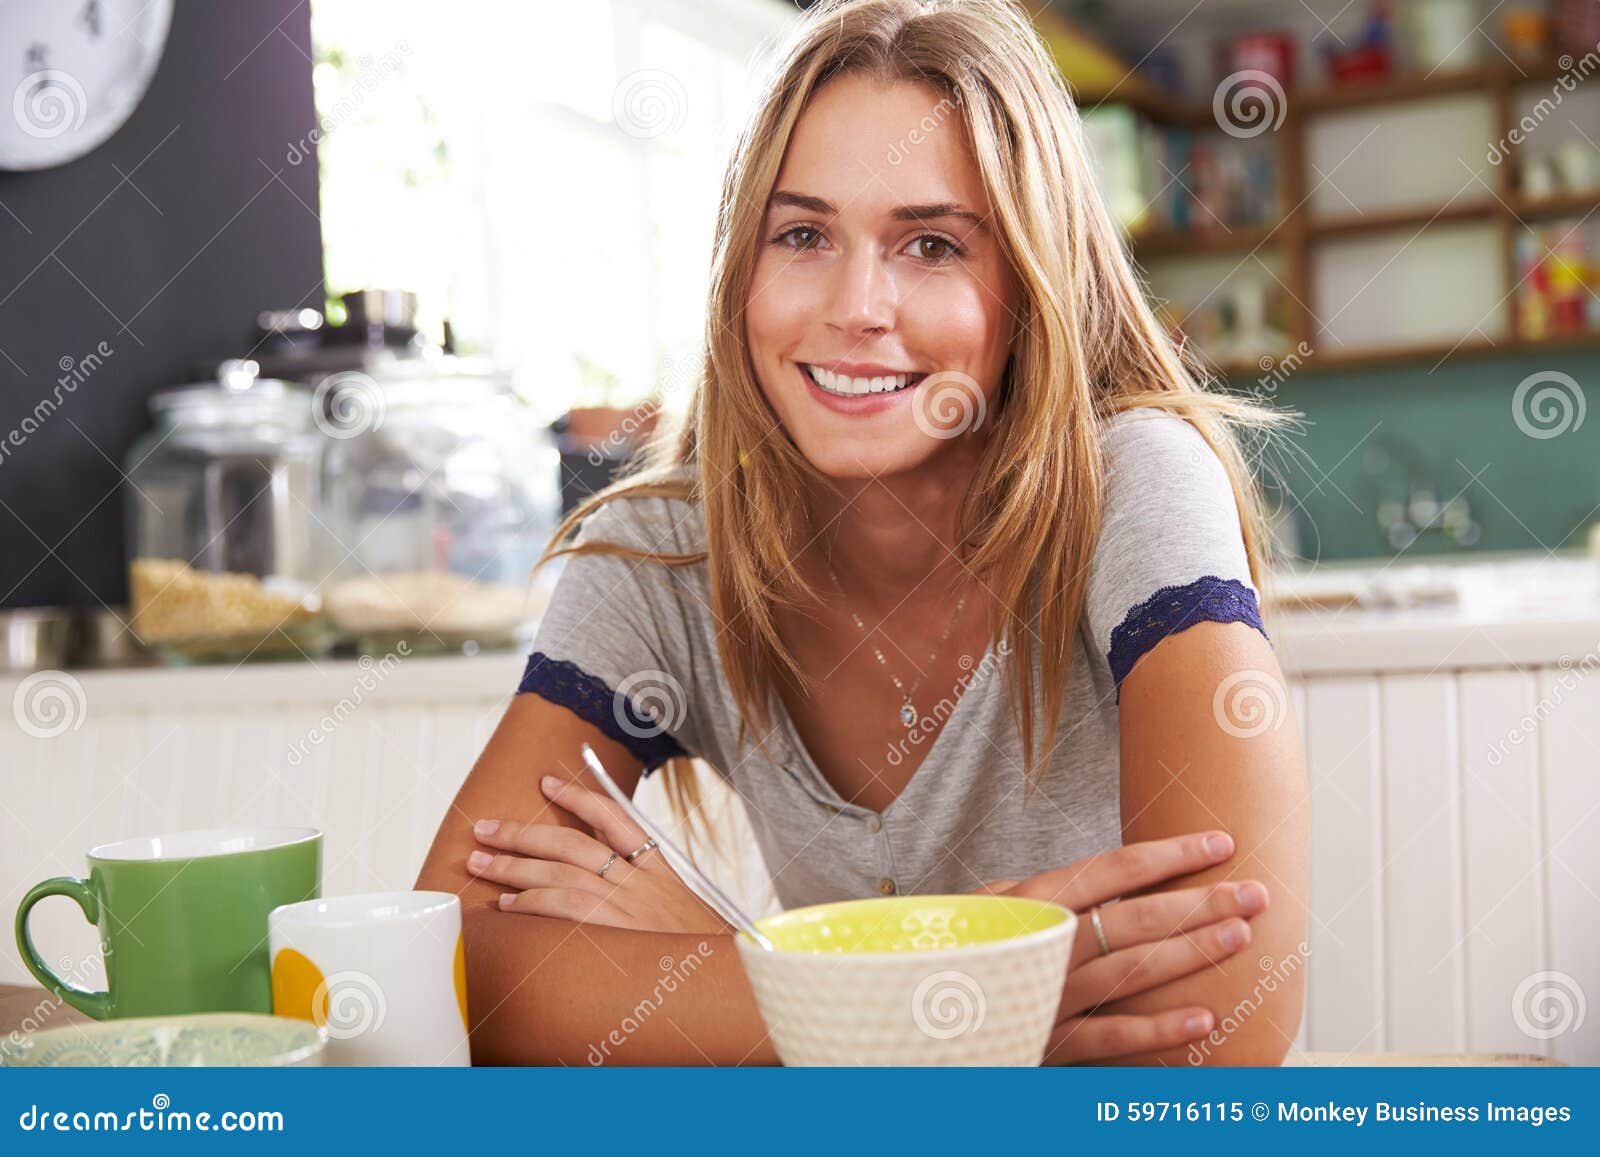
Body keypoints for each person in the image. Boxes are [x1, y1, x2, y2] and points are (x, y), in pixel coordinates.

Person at [416, 0, 1309, 1066]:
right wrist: (926, 1006)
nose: (855, 305)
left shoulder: (1134, 482)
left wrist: (742, 963)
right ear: (737, 271)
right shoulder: (664, 553)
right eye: (801, 235)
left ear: (1033, 284)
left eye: (930, 244)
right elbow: (452, 965)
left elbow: (1226, 1023)